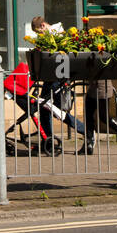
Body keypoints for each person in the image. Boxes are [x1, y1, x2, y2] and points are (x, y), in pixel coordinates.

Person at [29, 15, 87, 148]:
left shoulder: (57, 34)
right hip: (52, 77)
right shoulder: (52, 35)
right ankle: (48, 141)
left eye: (39, 31)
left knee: (56, 110)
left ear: (43, 25)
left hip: (57, 78)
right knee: (46, 109)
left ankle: (85, 131)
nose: (40, 35)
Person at [81, 77, 117, 155]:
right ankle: (89, 144)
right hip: (93, 88)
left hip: (102, 88)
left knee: (104, 117)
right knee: (89, 115)